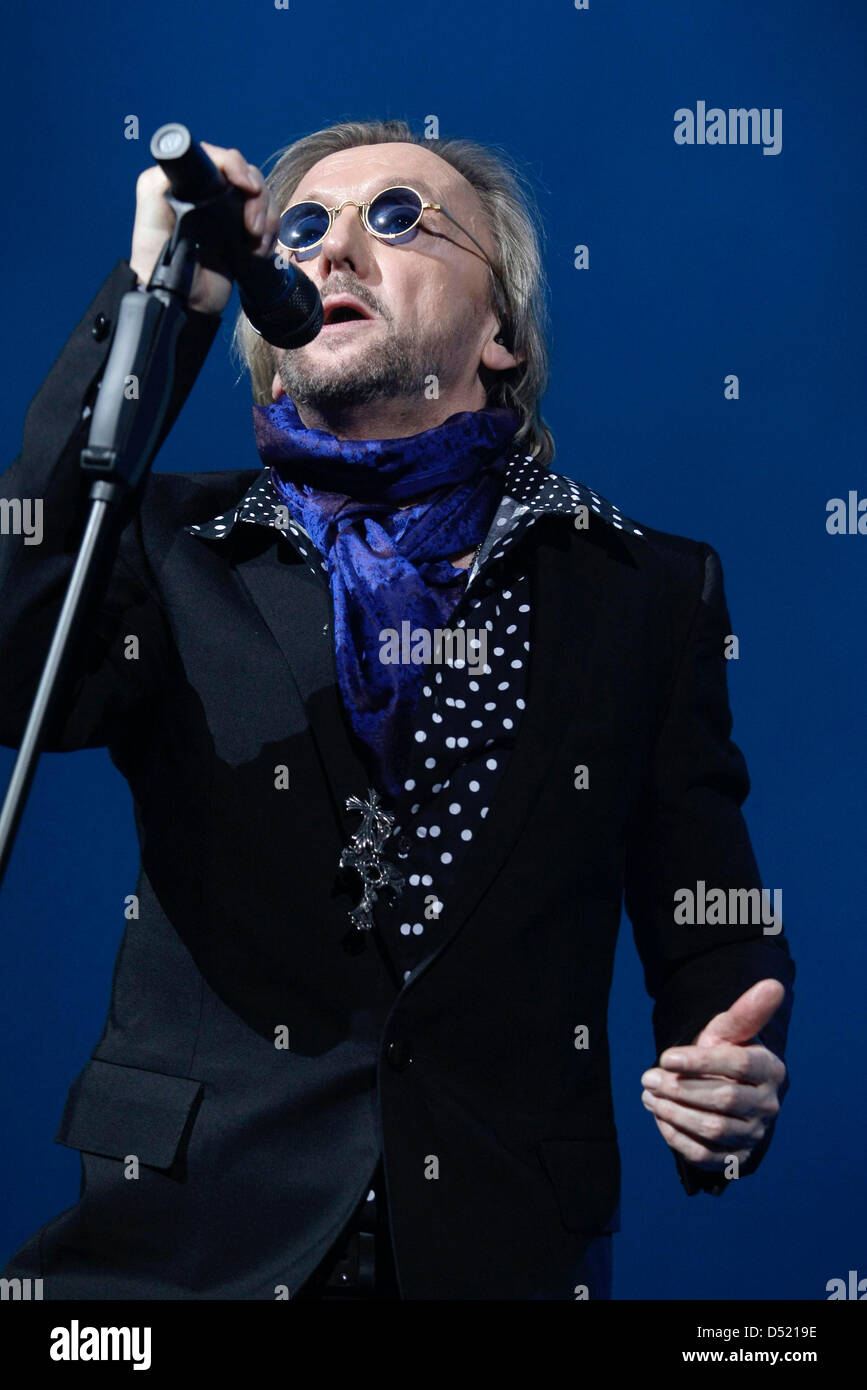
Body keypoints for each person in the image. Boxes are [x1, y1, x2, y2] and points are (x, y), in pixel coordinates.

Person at [0, 119, 794, 1300]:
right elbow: (15, 644)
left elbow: (704, 901)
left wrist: (735, 1062)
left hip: (501, 1248)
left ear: (503, 335)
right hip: (179, 1258)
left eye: (396, 219)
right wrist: (157, 294)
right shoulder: (173, 548)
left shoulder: (646, 591)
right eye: (306, 228)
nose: (333, 251)